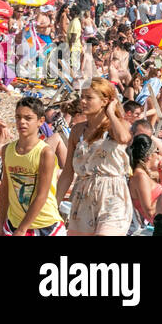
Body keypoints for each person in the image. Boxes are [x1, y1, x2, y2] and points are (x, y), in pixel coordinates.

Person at [56, 78, 134, 236]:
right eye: (82, 97)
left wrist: (111, 113)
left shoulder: (116, 125)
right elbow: (68, 172)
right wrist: (54, 202)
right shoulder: (77, 130)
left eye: (89, 97)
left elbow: (124, 138)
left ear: (105, 101)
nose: (83, 101)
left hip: (113, 193)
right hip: (83, 194)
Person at [0, 97, 64, 236]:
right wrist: (0, 226)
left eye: (28, 118)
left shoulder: (45, 152)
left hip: (44, 224)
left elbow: (42, 194)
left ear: (40, 121)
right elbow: (5, 189)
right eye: (18, 117)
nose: (22, 122)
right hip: (15, 223)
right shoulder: (7, 150)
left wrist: (22, 229)